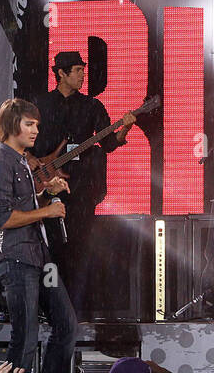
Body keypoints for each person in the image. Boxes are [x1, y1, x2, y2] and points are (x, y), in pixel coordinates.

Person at [0, 97, 76, 373]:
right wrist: (48, 211)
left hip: (39, 257)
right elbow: (6, 218)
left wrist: (46, 193)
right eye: (29, 124)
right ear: (11, 126)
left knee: (66, 324)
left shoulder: (21, 160)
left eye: (36, 124)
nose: (36, 130)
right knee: (24, 337)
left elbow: (24, 203)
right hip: (16, 259)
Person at [30, 51, 139, 317]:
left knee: (81, 248)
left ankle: (79, 309)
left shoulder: (92, 106)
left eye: (83, 70)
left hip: (81, 188)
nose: (82, 75)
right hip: (45, 186)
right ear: (61, 74)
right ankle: (47, 308)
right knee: (49, 248)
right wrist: (33, 161)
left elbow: (110, 144)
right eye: (77, 70)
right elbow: (21, 140)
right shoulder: (39, 104)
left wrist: (125, 127)